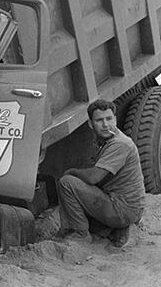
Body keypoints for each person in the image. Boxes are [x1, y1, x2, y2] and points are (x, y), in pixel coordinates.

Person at [56, 99, 146, 247]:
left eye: (109, 119)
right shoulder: (107, 140)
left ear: (115, 120)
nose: (105, 124)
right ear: (91, 124)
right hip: (124, 206)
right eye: (99, 120)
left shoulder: (120, 144)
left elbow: (93, 178)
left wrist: (72, 171)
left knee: (66, 183)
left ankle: (80, 234)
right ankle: (115, 230)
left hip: (122, 208)